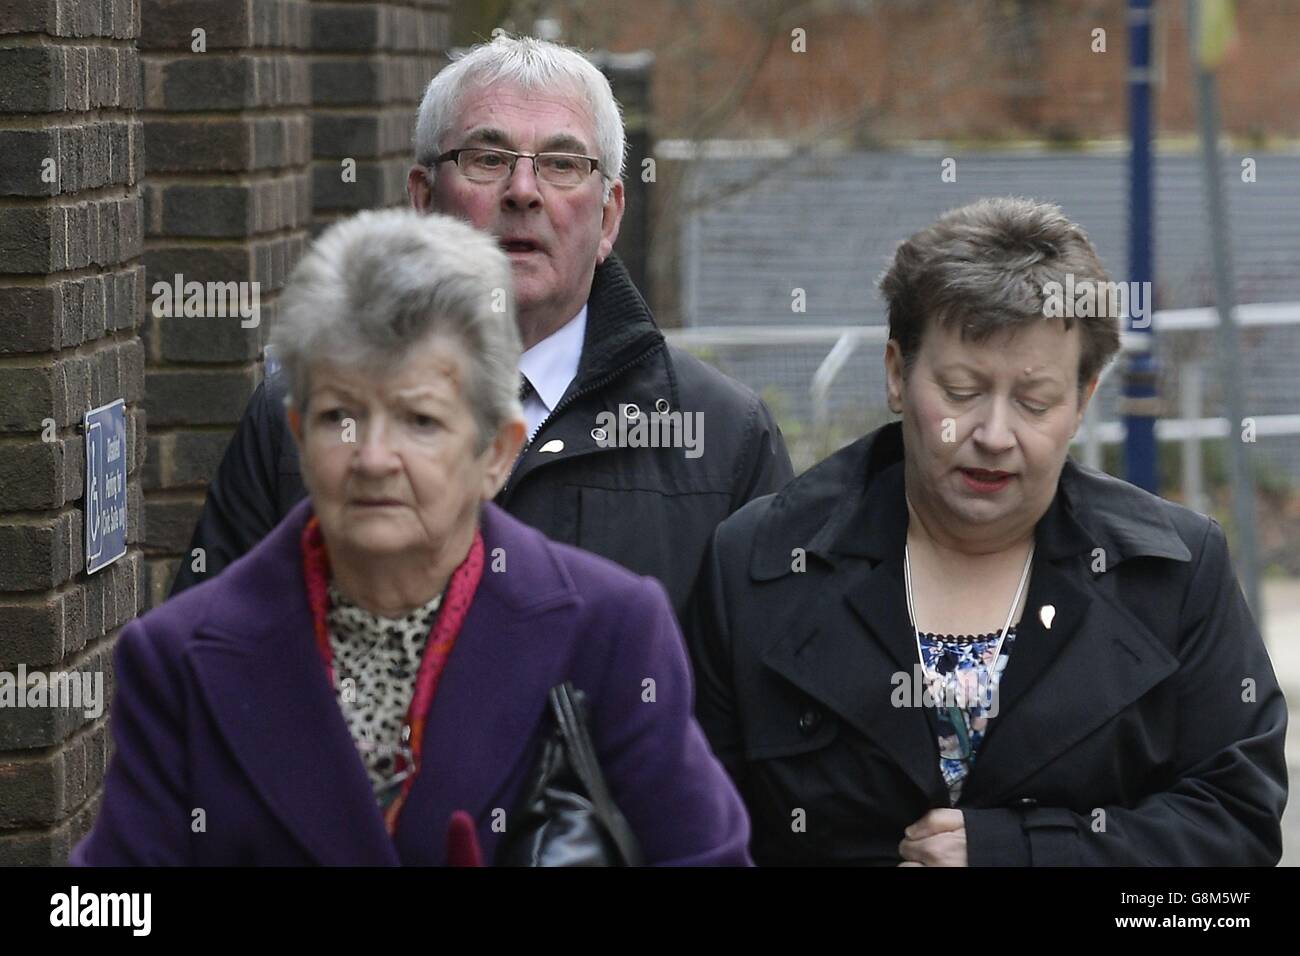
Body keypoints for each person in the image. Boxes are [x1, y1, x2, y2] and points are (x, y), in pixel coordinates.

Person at [71, 210, 751, 866]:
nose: (372, 457)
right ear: (298, 437)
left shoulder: (610, 632)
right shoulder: (177, 659)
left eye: (419, 421)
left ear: (495, 452)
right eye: (340, 416)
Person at [686, 197, 1288, 866]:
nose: (994, 436)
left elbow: (1235, 833)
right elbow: (692, 832)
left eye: (1035, 401)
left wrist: (1021, 853)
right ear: (896, 373)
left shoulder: (1173, 574)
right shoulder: (758, 564)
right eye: (963, 389)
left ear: (1083, 402)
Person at [169, 34, 793, 618]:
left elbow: (753, 718)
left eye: (562, 164)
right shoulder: (296, 415)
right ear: (422, 199)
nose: (523, 191)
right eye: (487, 159)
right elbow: (205, 684)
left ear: (609, 218)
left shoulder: (722, 438)